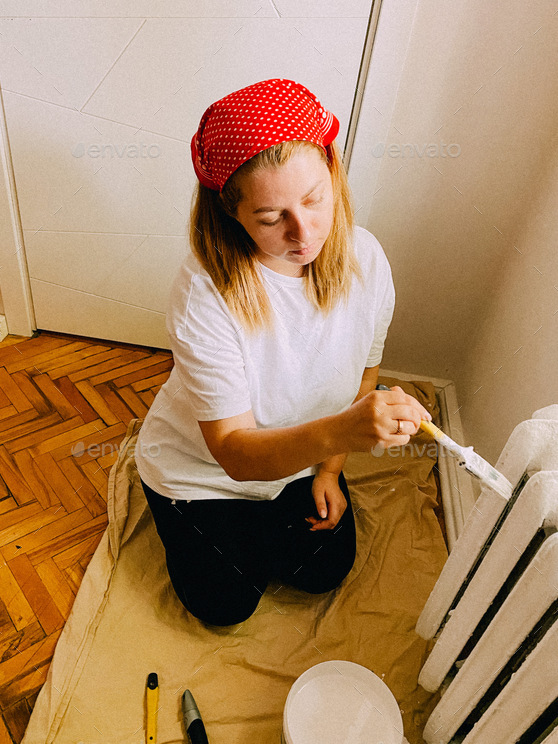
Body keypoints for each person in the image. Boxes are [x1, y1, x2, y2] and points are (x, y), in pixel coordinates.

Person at [135, 78, 432, 627]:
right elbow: (233, 452)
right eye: (271, 218)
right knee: (225, 603)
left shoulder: (367, 258)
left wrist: (329, 469)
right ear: (233, 213)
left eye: (315, 199)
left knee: (322, 570)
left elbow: (364, 373)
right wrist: (343, 434)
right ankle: (178, 510)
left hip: (297, 458)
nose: (304, 233)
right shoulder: (205, 295)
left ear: (333, 171)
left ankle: (259, 524)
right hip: (205, 471)